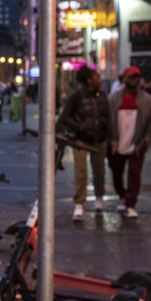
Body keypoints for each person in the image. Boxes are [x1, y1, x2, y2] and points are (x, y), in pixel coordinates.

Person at [108, 66, 151, 219]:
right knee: (116, 173)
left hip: (137, 144)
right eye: (131, 77)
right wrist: (112, 139)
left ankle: (131, 203)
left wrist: (146, 139)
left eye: (137, 77)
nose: (134, 80)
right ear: (124, 79)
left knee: (134, 174)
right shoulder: (114, 99)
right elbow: (108, 120)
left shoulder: (147, 101)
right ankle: (122, 195)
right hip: (117, 144)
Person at [57, 66, 109, 221]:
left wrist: (111, 136)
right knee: (81, 172)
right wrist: (79, 126)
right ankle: (79, 203)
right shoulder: (77, 96)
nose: (99, 80)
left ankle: (99, 198)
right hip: (80, 139)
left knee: (99, 170)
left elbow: (108, 116)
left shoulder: (102, 95)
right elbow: (64, 117)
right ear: (89, 80)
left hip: (99, 138)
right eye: (96, 77)